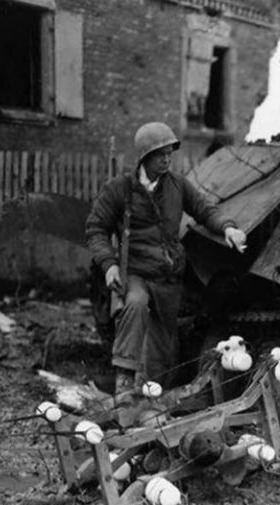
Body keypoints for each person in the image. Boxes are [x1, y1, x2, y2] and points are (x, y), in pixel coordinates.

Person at [85, 121, 247, 395]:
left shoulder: (178, 185)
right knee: (134, 305)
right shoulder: (119, 189)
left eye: (170, 152)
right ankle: (124, 388)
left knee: (162, 348)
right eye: (160, 154)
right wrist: (109, 265)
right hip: (134, 271)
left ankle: (151, 399)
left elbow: (205, 210)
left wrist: (228, 227)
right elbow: (95, 229)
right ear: (145, 157)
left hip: (168, 275)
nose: (167, 158)